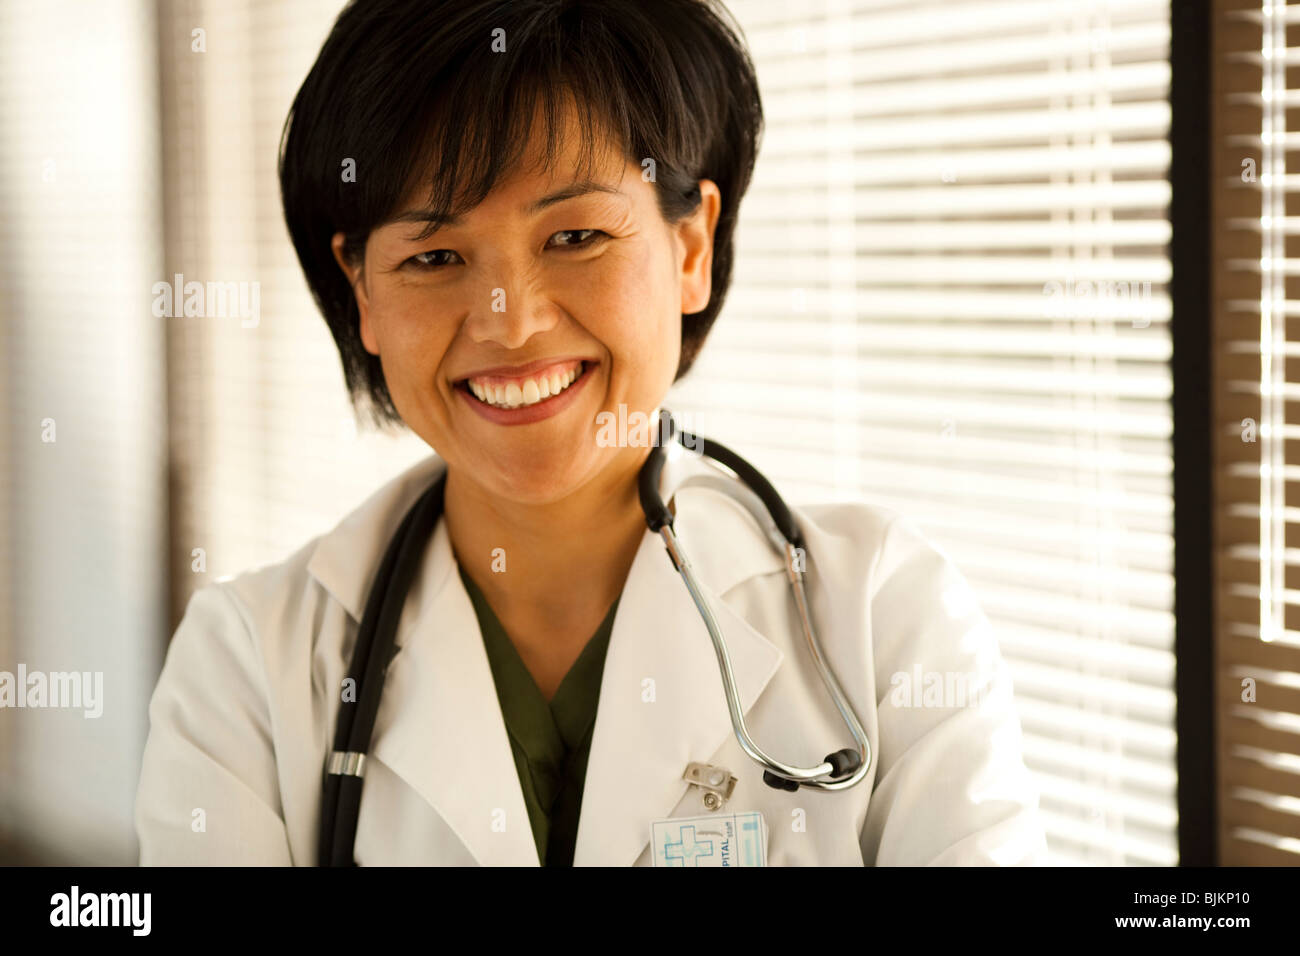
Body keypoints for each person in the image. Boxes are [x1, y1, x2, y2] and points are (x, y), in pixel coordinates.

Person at [135, 0, 1047, 866]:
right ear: (362, 290)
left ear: (690, 250)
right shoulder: (250, 671)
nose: (511, 322)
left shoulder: (882, 621)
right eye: (434, 256)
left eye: (574, 237)